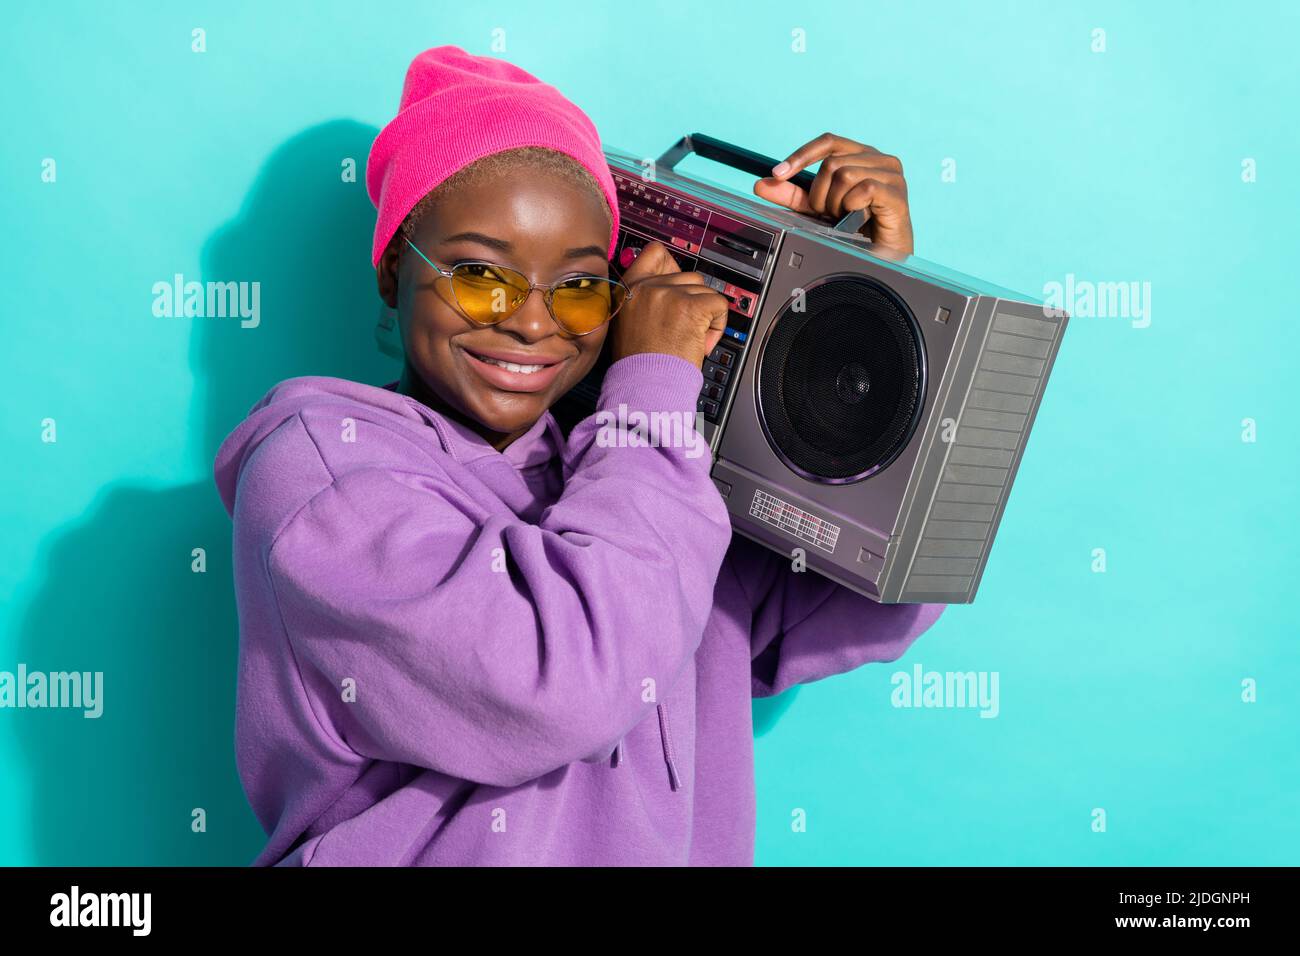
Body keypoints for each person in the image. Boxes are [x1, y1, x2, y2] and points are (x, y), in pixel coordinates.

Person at [213, 44, 943, 866]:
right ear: (392, 274)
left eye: (581, 285)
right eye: (481, 275)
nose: (531, 323)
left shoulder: (636, 472)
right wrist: (652, 396)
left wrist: (857, 306)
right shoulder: (320, 476)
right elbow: (563, 684)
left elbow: (878, 590)